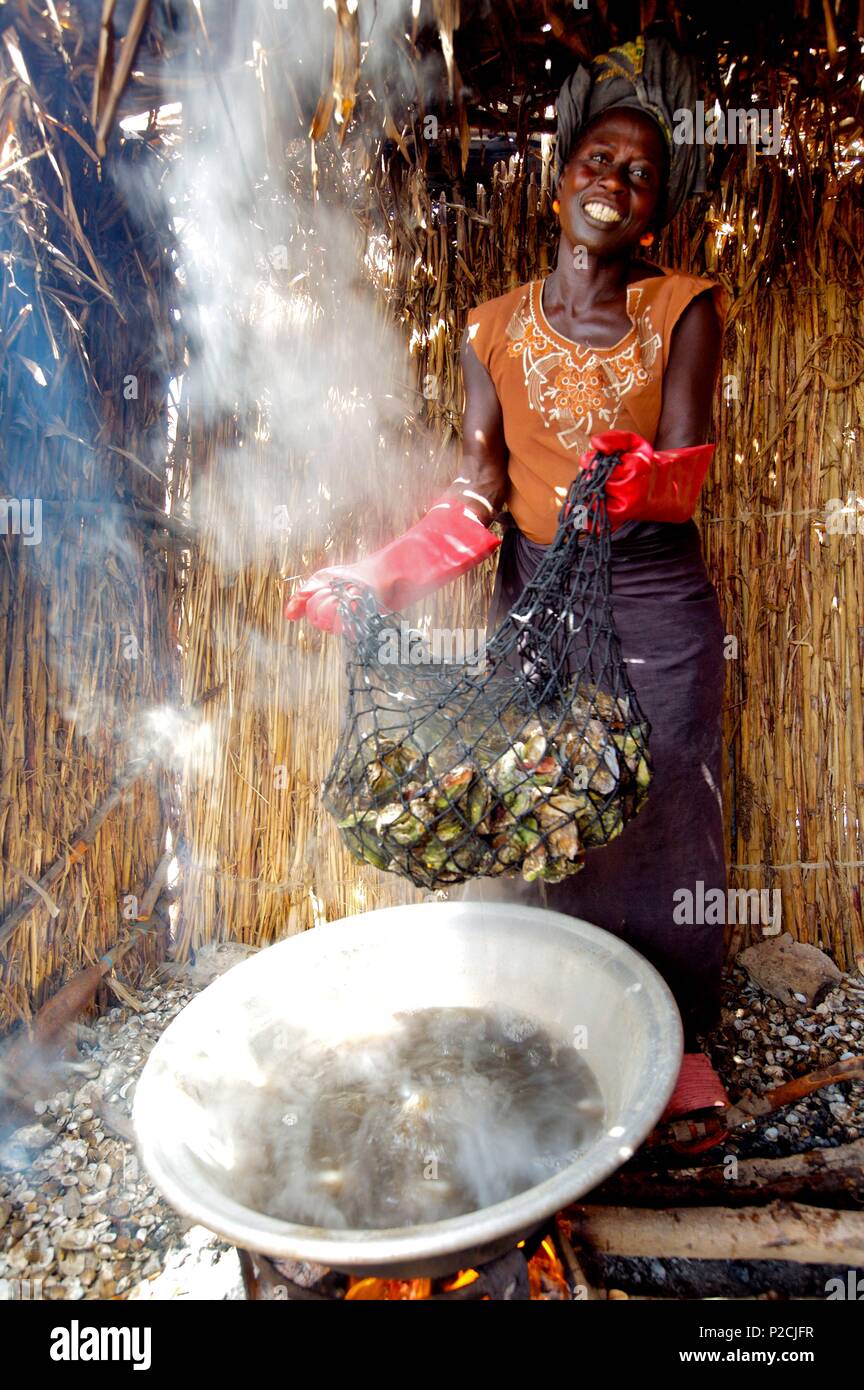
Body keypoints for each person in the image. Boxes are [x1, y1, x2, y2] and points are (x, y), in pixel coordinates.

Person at [285, 36, 730, 1108]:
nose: (612, 182)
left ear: (656, 209)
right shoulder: (491, 330)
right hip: (539, 605)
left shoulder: (685, 308)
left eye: (639, 173)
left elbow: (684, 470)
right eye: (597, 159)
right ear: (560, 174)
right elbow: (480, 490)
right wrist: (383, 575)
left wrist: (628, 480)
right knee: (554, 799)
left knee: (661, 797)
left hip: (656, 604)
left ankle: (677, 1049)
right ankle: (580, 1031)